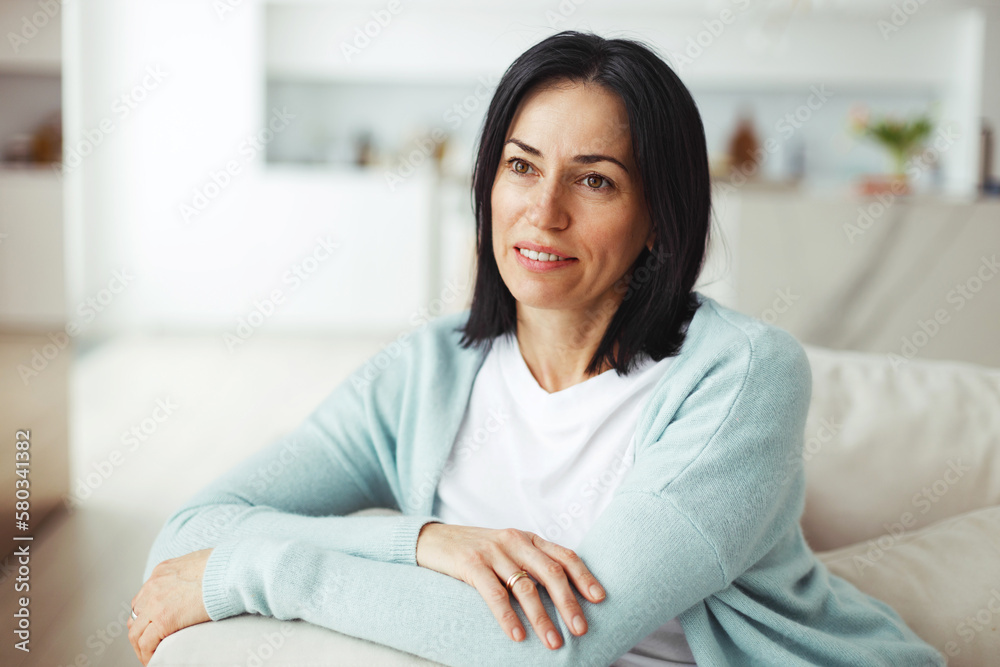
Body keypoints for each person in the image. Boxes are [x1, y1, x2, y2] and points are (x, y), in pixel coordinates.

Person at [128, 30, 947, 667]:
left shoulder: (741, 376)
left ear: (660, 214)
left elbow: (553, 642)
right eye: (522, 167)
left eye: (594, 180)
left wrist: (265, 569)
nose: (542, 212)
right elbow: (189, 534)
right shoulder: (425, 372)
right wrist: (424, 542)